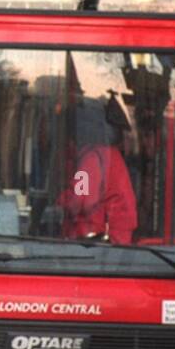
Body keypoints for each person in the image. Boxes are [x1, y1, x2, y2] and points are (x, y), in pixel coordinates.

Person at [58, 95, 137, 244]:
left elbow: (82, 201)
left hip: (102, 244)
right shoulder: (109, 154)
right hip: (117, 236)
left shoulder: (91, 159)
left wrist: (60, 202)